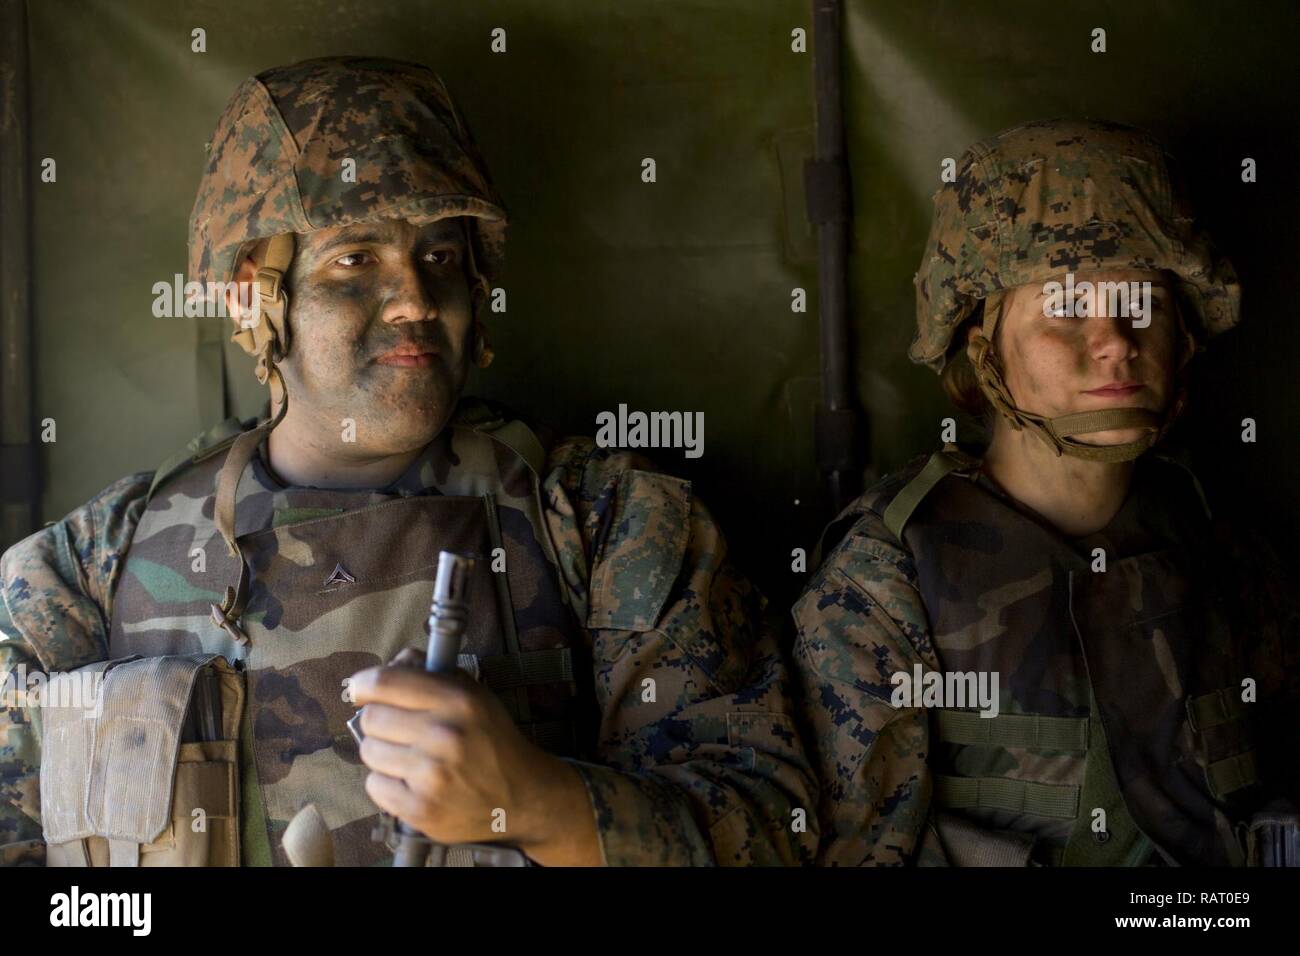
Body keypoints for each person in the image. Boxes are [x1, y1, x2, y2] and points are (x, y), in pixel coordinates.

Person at [0, 56, 817, 867]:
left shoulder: (606, 524)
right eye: (355, 260)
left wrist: (543, 804)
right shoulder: (93, 566)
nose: (417, 301)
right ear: (253, 296)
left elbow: (779, 825)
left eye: (440, 257)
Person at [792, 118, 1299, 866]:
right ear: (984, 349)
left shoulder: (1214, 539)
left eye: (1142, 304)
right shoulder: (888, 575)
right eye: (1065, 309)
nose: (1117, 341)